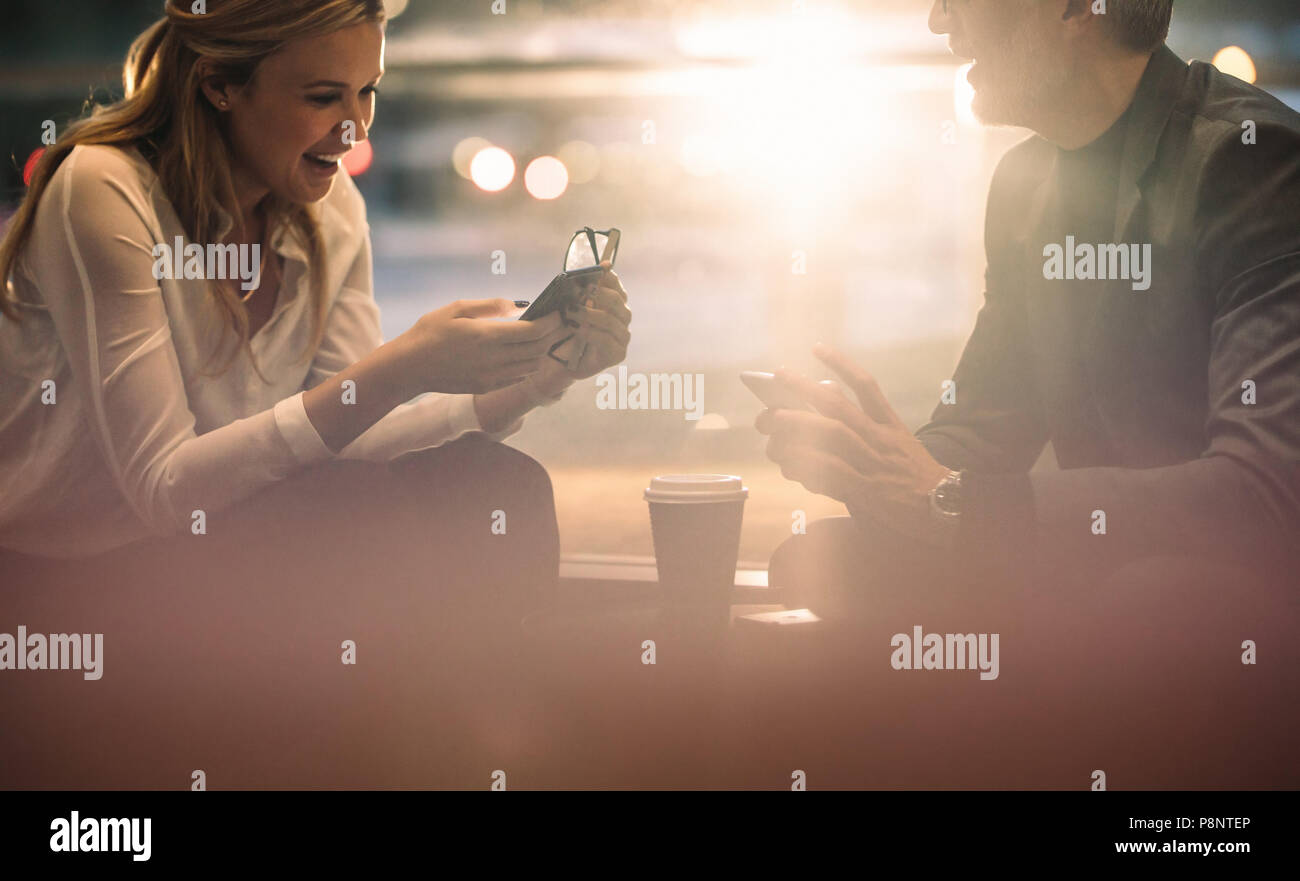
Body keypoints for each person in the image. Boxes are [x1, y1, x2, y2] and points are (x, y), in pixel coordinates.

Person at [0, 0, 631, 787]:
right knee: (362, 521)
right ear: (221, 85)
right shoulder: (103, 190)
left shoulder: (329, 209)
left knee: (499, 488)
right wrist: (399, 367)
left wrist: (541, 375)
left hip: (221, 541)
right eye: (323, 97)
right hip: (72, 578)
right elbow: (164, 490)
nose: (355, 129)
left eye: (368, 92)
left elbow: (352, 435)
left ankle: (492, 764)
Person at [759, 0, 1299, 786]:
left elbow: (1263, 497)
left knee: (1151, 603)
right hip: (1094, 561)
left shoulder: (1255, 165)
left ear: (1077, 9)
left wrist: (948, 500)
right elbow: (983, 429)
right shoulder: (1024, 182)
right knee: (827, 560)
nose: (941, 20)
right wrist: (873, 463)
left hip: (1225, 596)